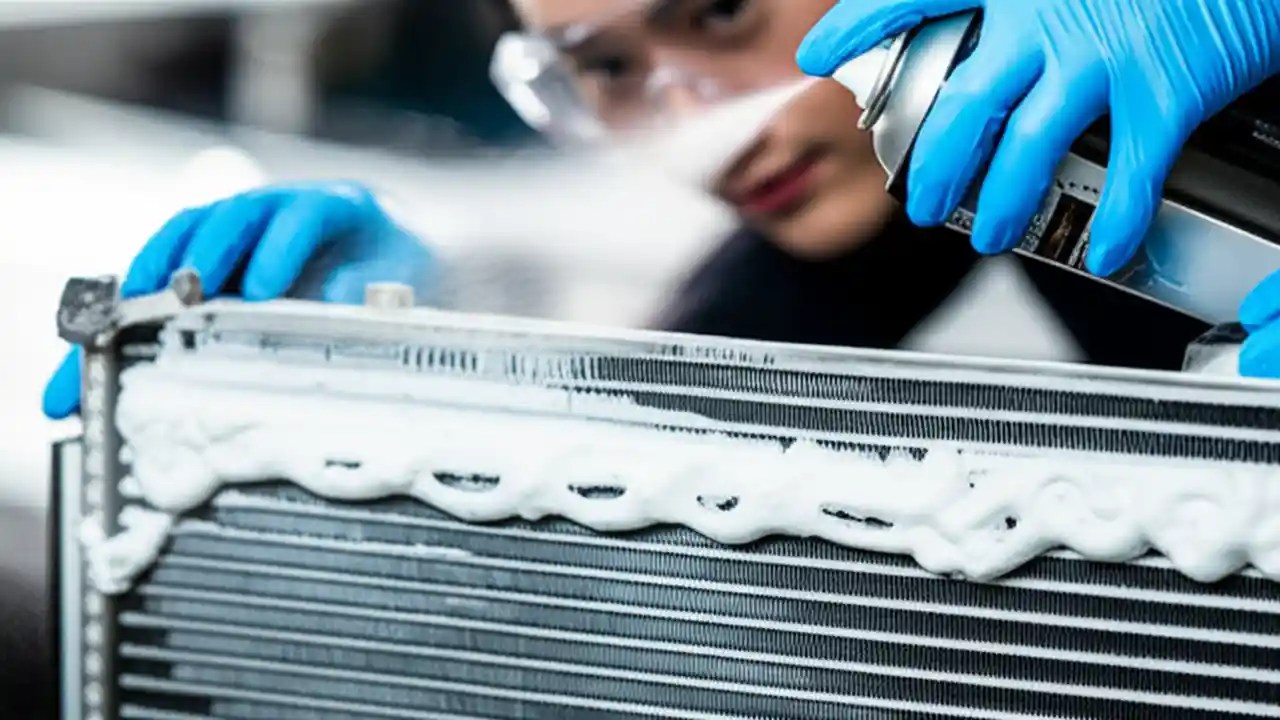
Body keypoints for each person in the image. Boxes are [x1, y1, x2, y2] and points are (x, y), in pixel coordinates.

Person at [41, 0, 1280, 419]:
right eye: (606, 70)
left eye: (721, 11)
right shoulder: (911, 191)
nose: (699, 131)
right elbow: (662, 416)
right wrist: (426, 333)